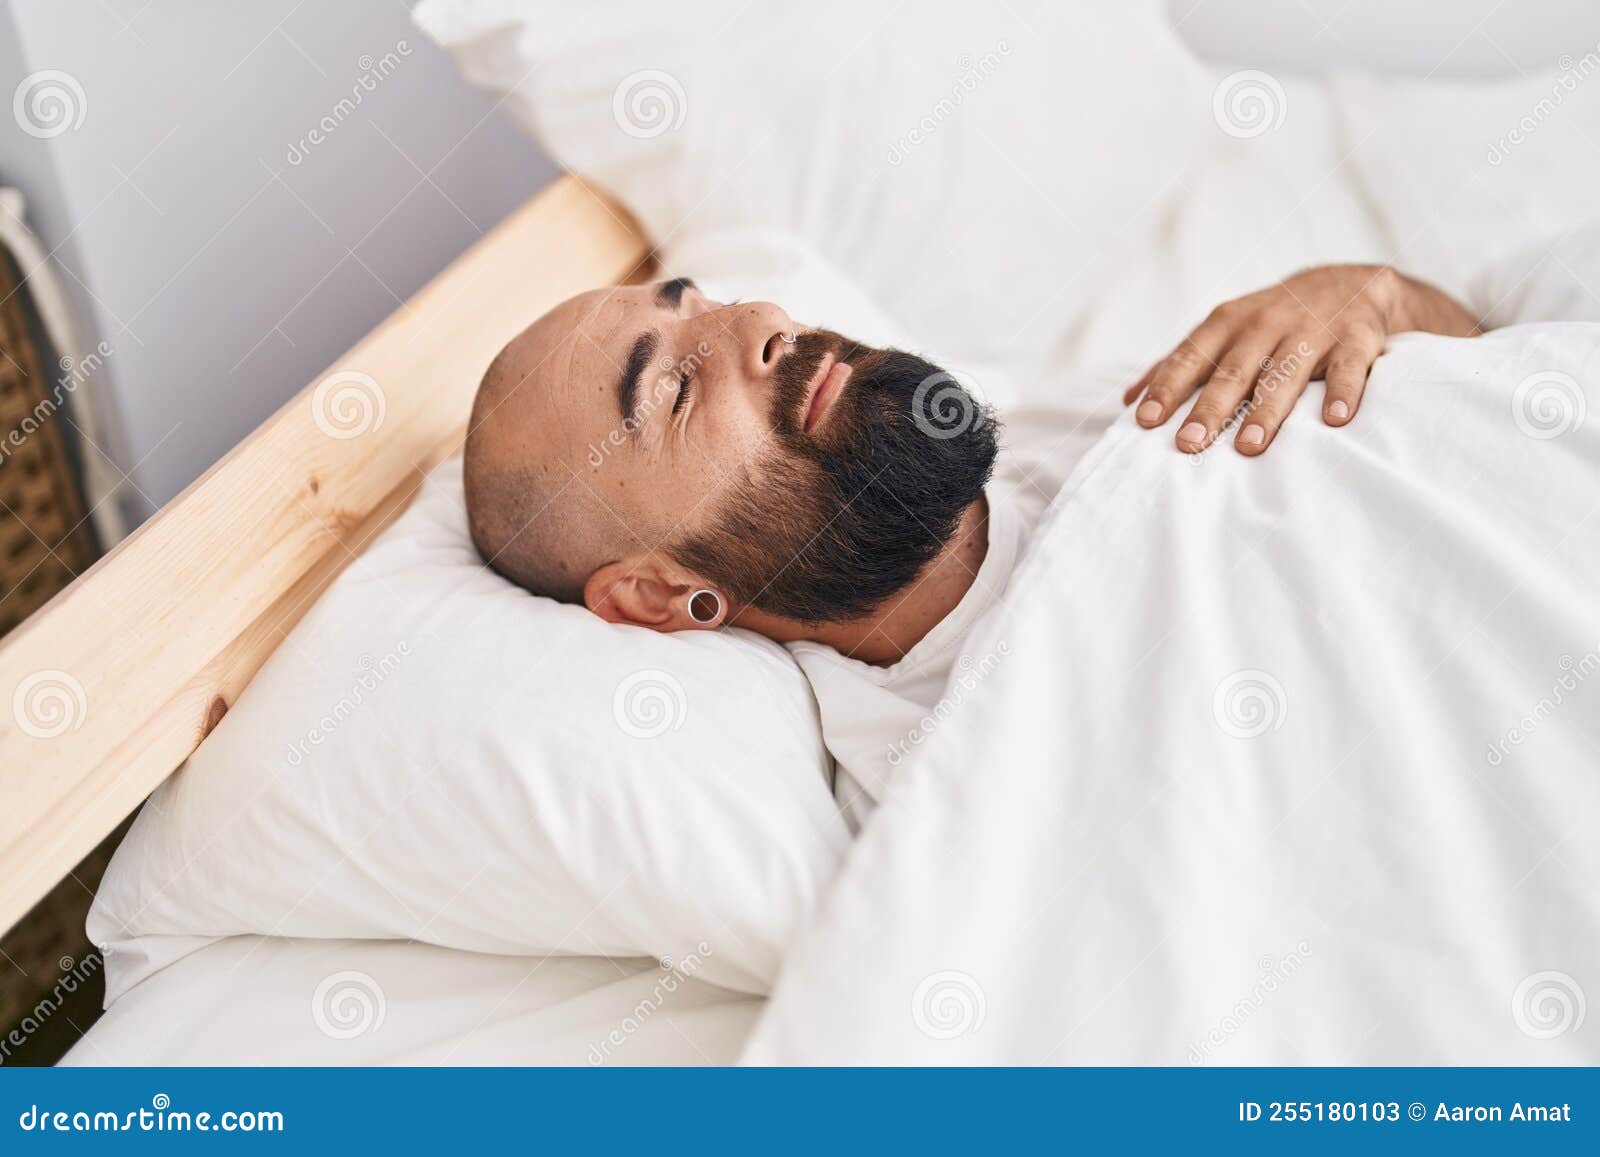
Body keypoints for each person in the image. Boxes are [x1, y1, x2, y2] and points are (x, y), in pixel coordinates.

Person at [464, 265, 1480, 826]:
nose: (764, 319)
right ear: (651, 593)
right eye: (674, 387)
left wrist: (1383, 299)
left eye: (702, 297)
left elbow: (1495, 385)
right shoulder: (949, 800)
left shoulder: (1097, 407)